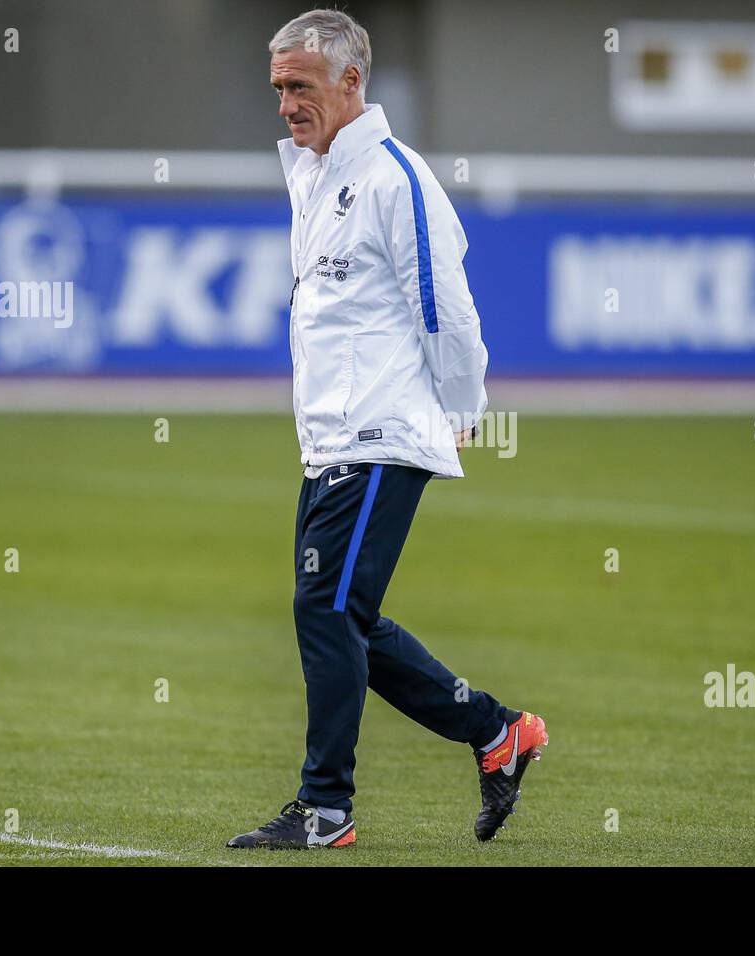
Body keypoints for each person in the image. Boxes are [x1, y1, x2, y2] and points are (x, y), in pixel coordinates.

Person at [227, 9, 547, 850]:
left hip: (380, 434)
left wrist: (463, 409)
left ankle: (326, 808)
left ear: (351, 82)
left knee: (325, 610)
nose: (287, 105)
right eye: (279, 89)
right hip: (332, 440)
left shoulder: (396, 182)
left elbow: (447, 312)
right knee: (345, 615)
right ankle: (497, 733)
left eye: (300, 87)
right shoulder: (317, 170)